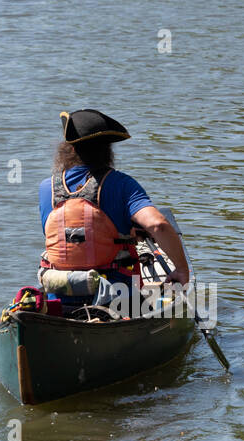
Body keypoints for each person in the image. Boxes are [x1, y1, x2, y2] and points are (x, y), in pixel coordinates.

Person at [37, 110, 189, 306]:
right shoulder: (122, 184)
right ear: (107, 151)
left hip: (60, 296)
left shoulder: (46, 189)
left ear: (70, 150)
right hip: (119, 298)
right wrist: (182, 270)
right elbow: (158, 225)